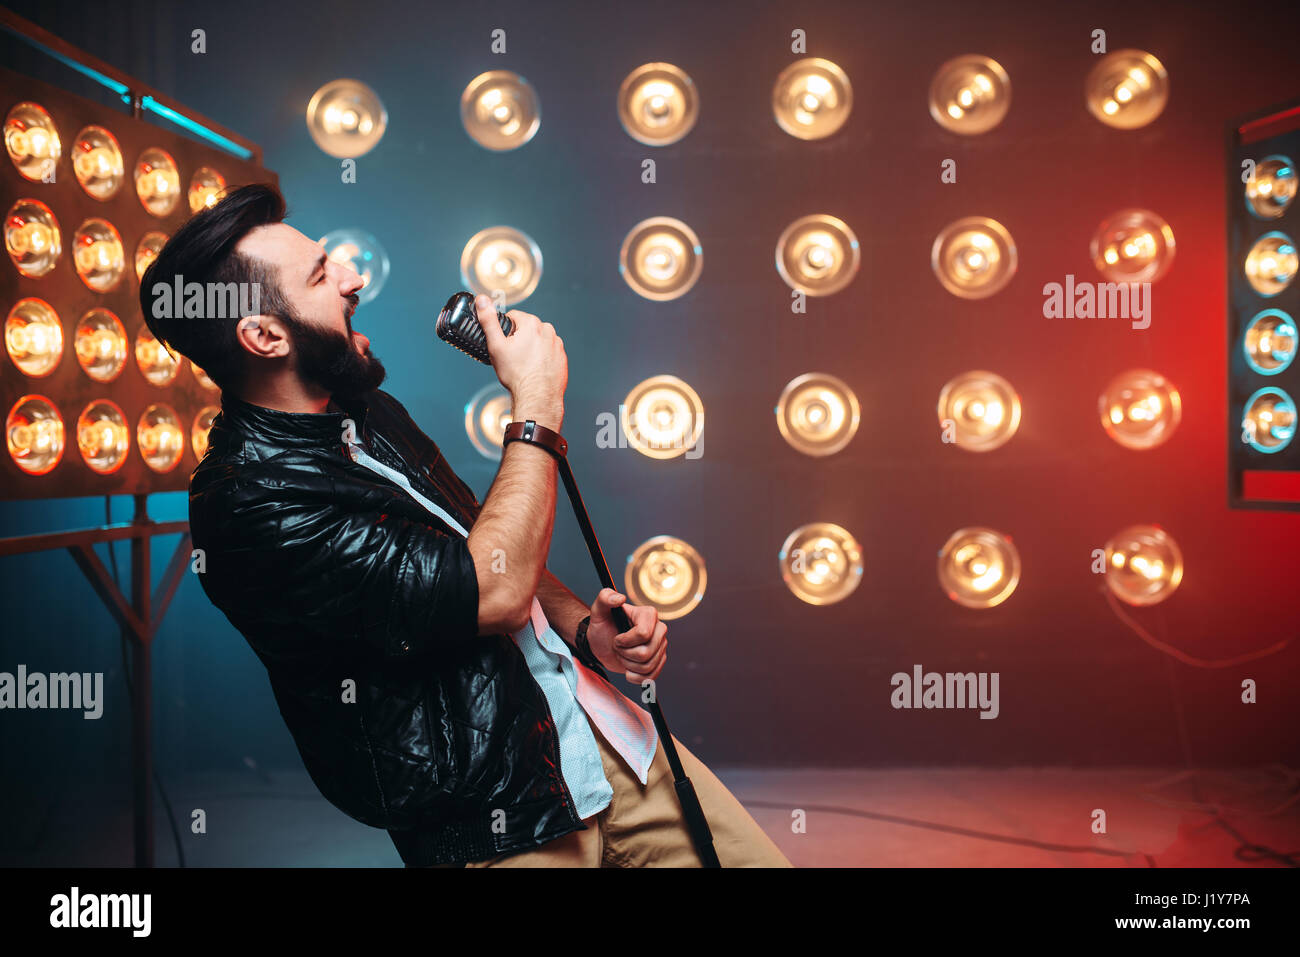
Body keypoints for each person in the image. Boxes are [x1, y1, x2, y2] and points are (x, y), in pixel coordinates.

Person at [138, 183, 791, 868]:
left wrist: (582, 628)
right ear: (264, 336)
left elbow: (479, 543)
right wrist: (536, 403)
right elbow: (490, 591)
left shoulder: (365, 409)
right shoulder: (251, 505)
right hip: (498, 817)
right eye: (321, 276)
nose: (353, 278)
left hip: (601, 736)